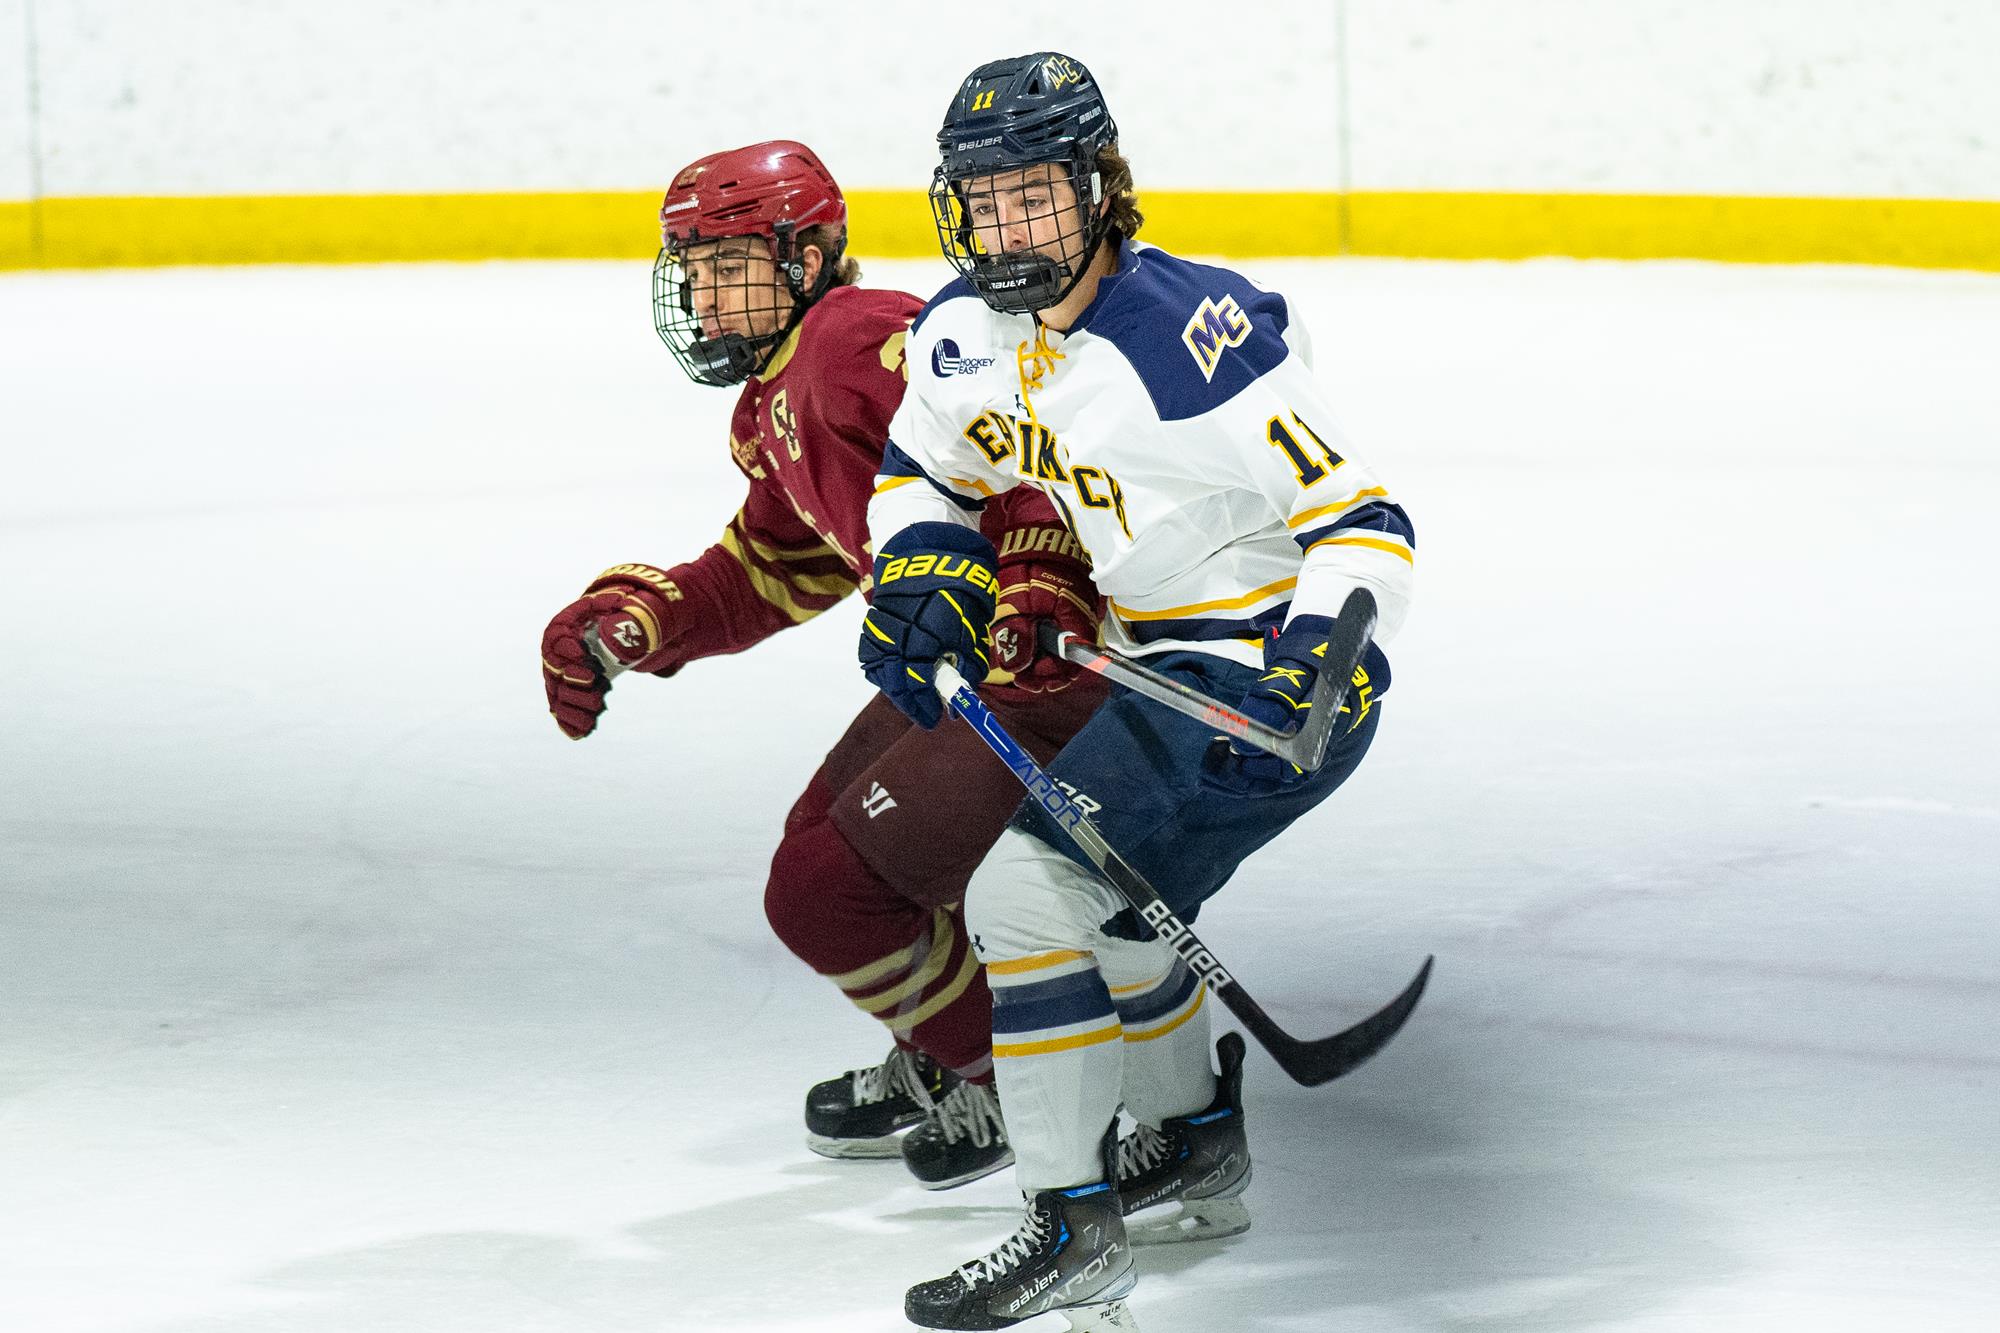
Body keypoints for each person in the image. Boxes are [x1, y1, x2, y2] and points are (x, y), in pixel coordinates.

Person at [859, 55, 1415, 1331]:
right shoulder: (959, 336)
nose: (1007, 231)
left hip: (1262, 678)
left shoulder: (1190, 337)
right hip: (1152, 661)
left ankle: (1068, 1224)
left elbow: (1362, 518)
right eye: (981, 203)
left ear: (1101, 190)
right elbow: (915, 467)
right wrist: (924, 568)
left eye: (1036, 198)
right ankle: (1193, 1143)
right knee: (1117, 915)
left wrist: (1322, 658)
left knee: (1022, 888)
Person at [540, 140, 1106, 1189]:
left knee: (823, 892)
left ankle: (1014, 1082)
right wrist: (641, 619)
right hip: (958, 656)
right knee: (822, 840)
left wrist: (1035, 565)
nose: (702, 299)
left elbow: (1021, 435)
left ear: (806, 257)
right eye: (692, 273)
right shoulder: (773, 403)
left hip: (1055, 660)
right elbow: (774, 566)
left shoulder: (854, 341)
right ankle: (954, 1051)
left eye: (726, 267)